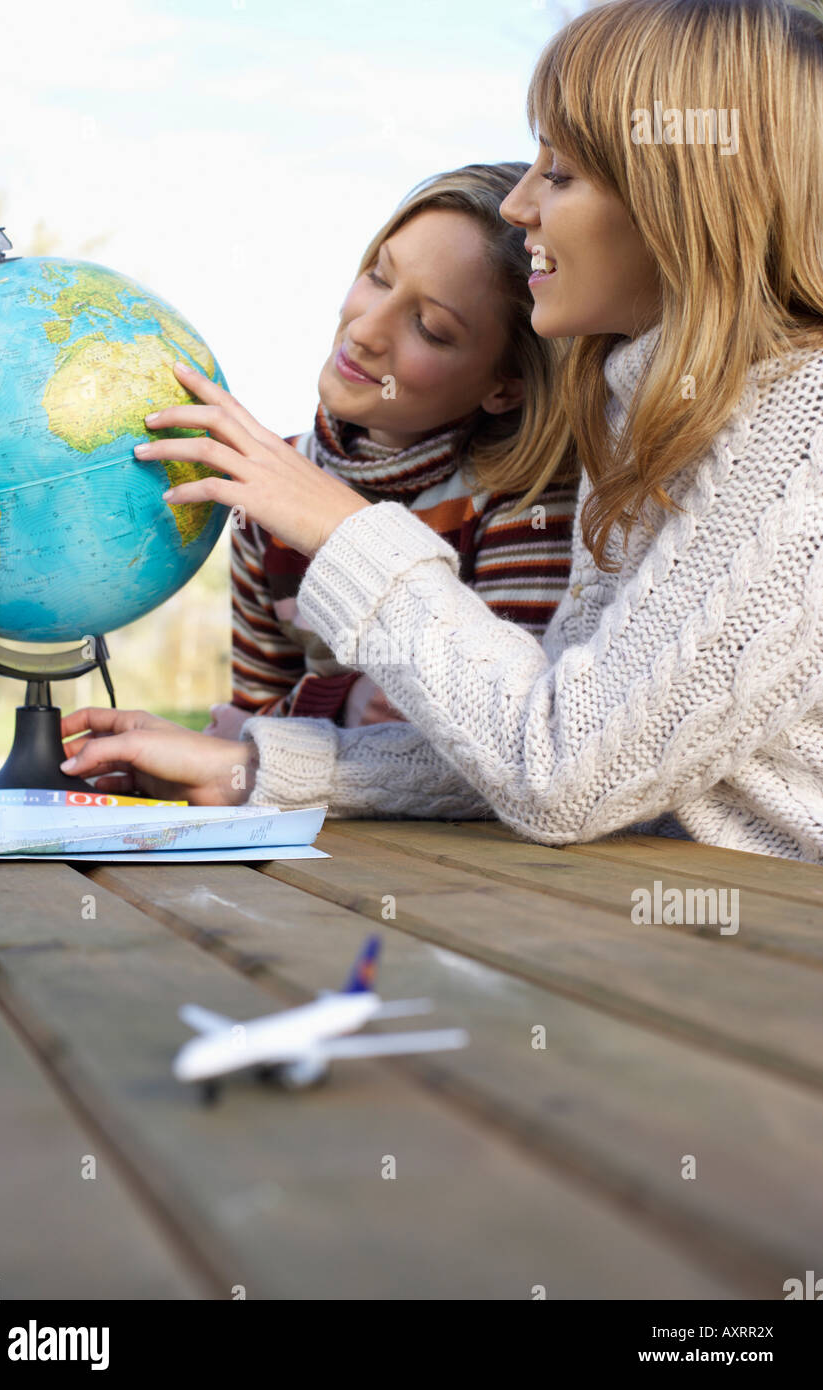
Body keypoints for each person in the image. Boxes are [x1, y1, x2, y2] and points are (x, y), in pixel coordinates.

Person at [61, 0, 823, 863]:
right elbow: (547, 728)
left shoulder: (803, 426)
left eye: (562, 173)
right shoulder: (648, 416)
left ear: (681, 203)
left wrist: (338, 527)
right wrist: (248, 766)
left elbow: (565, 775)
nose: (521, 206)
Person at [205, 162, 578, 738]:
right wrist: (343, 701)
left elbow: (513, 730)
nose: (365, 331)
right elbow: (245, 729)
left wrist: (305, 722)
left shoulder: (525, 500)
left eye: (429, 327)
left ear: (506, 387)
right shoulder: (267, 483)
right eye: (379, 276)